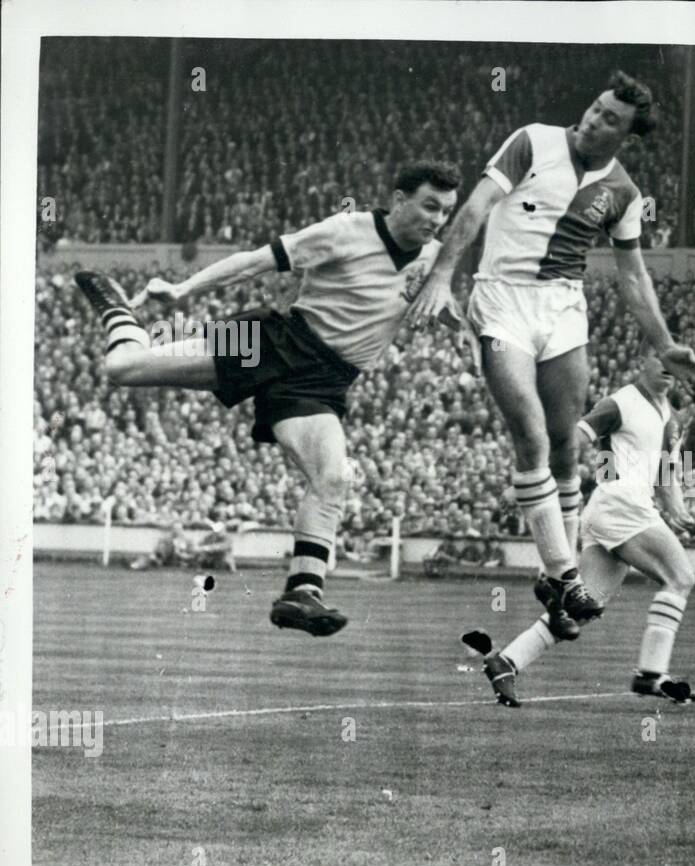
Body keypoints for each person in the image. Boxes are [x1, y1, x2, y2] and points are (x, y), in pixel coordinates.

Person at [75, 162, 461, 636]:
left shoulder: (437, 258)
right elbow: (256, 260)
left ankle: (303, 592)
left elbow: (444, 309)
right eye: (429, 205)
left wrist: (468, 326)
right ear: (400, 200)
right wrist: (184, 288)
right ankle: (118, 313)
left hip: (322, 383)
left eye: (446, 210)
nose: (437, 218)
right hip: (273, 341)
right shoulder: (346, 232)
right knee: (123, 369)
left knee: (334, 476)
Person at [405, 70, 695, 640]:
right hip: (501, 298)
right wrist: (443, 275)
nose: (595, 120)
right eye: (597, 108)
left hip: (563, 308)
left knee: (565, 446)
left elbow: (632, 274)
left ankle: (560, 584)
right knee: (527, 430)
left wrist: (664, 342)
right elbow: (475, 209)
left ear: (626, 134)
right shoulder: (531, 140)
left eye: (610, 120)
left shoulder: (623, 193)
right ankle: (563, 574)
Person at [465, 355, 695, 708]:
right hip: (621, 504)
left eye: (672, 360)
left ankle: (505, 662)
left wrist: (678, 506)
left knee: (585, 609)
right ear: (642, 360)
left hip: (615, 508)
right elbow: (571, 441)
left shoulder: (669, 415)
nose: (667, 366)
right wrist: (526, 486)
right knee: (681, 577)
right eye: (659, 356)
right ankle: (650, 675)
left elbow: (666, 473)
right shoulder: (620, 403)